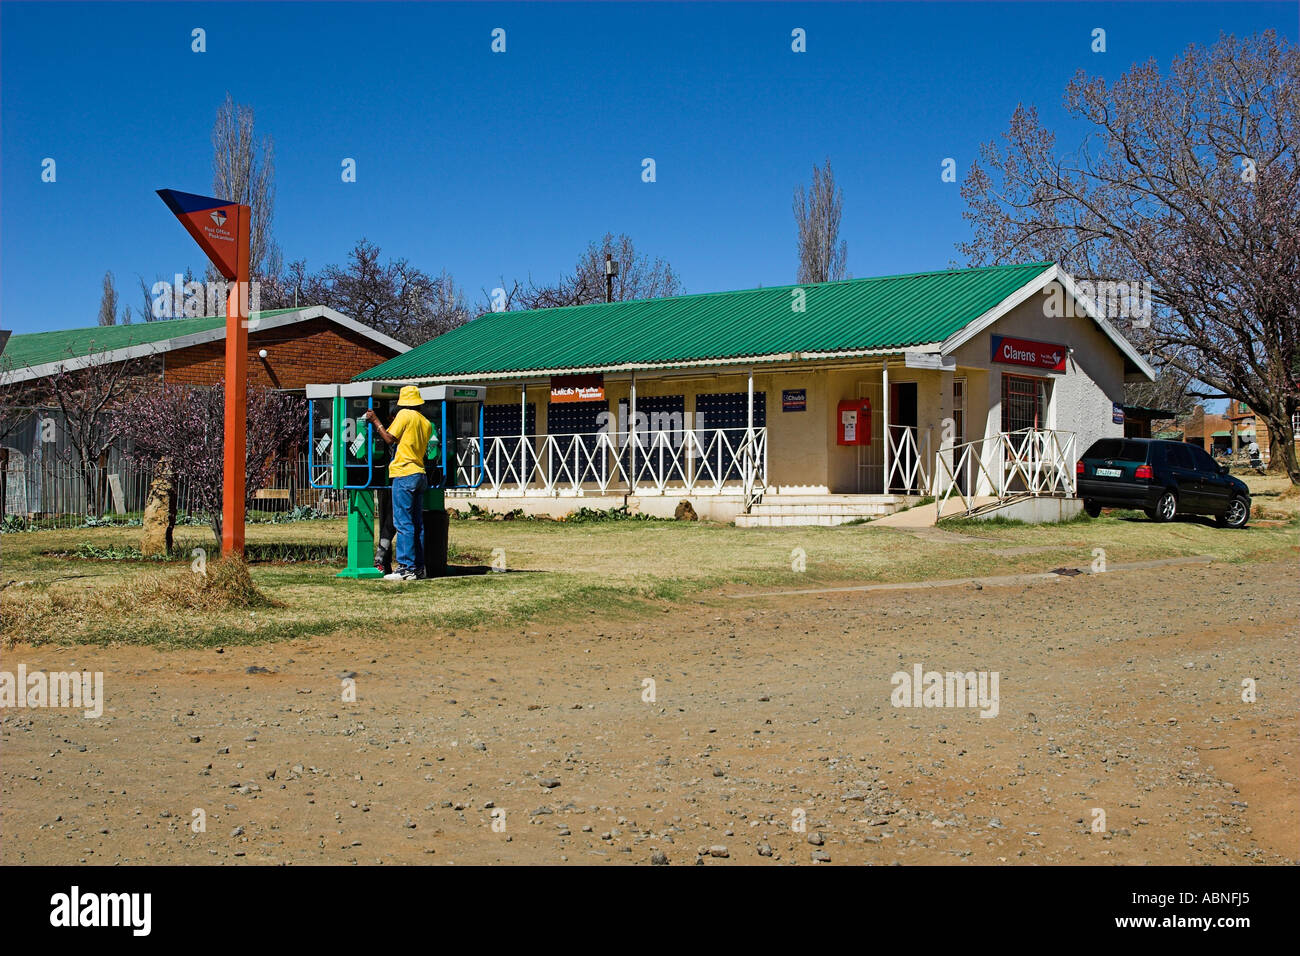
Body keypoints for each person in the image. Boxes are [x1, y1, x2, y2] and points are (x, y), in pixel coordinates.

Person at [364, 385, 433, 581]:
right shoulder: (426, 422)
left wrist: (375, 420)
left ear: (403, 403)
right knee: (417, 524)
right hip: (420, 474)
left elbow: (389, 439)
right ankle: (419, 568)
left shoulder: (404, 415)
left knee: (402, 522)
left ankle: (405, 568)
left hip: (404, 473)